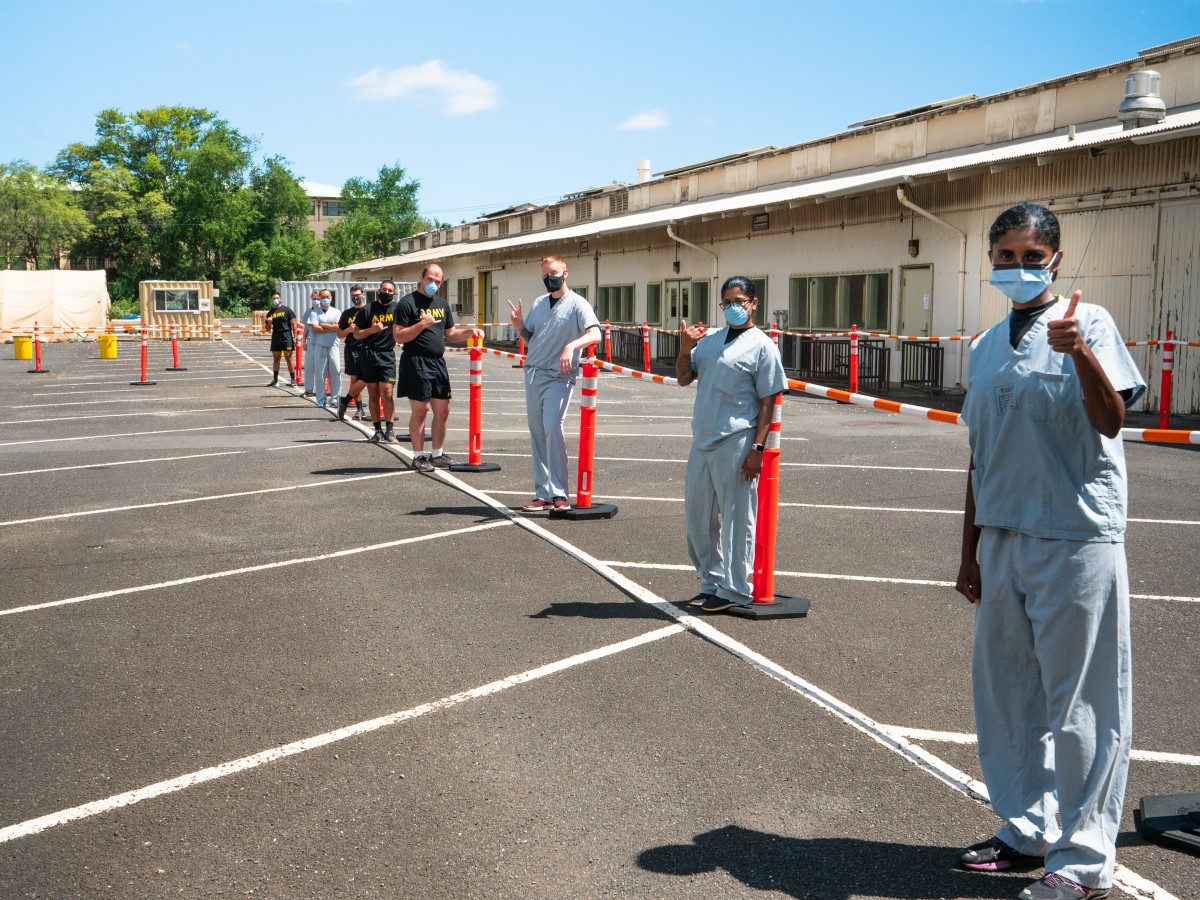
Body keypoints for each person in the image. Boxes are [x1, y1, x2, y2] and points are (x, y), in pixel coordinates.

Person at [954, 204, 1145, 900]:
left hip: (1074, 537)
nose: (1017, 268)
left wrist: (1080, 354)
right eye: (1005, 255)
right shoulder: (983, 346)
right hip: (1003, 535)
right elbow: (981, 452)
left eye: (1031, 256)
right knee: (1009, 696)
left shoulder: (1086, 324)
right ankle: (1028, 828)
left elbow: (1114, 418)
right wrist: (969, 550)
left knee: (1083, 704)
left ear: (1055, 261)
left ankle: (1085, 859)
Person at [675, 276, 786, 613]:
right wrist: (684, 350)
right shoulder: (709, 342)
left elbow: (769, 400)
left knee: (738, 519)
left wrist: (757, 449)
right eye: (726, 303)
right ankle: (711, 581)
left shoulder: (763, 346)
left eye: (739, 301)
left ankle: (736, 589)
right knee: (698, 518)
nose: (732, 308)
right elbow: (683, 378)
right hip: (703, 439)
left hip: (737, 441)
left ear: (753, 303)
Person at [507, 256, 601, 510]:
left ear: (565, 273)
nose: (550, 278)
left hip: (559, 377)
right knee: (538, 433)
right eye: (545, 275)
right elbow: (531, 339)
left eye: (554, 273)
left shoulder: (577, 304)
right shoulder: (539, 303)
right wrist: (519, 326)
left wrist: (571, 346)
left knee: (552, 426)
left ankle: (559, 493)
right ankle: (543, 493)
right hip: (534, 374)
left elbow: (595, 333)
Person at [393, 263, 484, 473]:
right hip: (416, 361)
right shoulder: (407, 304)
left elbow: (450, 334)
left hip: (437, 363)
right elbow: (398, 335)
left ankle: (437, 454)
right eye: (430, 279)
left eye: (438, 280)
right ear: (421, 278)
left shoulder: (442, 304)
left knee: (443, 410)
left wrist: (470, 332)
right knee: (421, 410)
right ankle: (418, 456)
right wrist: (422, 324)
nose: (434, 283)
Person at [353, 279, 400, 443]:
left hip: (387, 355)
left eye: (390, 290)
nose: (386, 292)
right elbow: (357, 334)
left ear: (394, 293)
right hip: (369, 355)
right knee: (373, 393)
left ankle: (390, 430)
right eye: (384, 289)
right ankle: (378, 430)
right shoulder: (367, 310)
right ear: (379, 290)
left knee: (387, 392)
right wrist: (371, 330)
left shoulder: (397, 309)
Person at [336, 285, 369, 421]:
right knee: (355, 379)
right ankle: (359, 409)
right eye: (353, 296)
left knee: (367, 378)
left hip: (366, 348)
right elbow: (339, 334)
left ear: (363, 294)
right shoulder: (347, 314)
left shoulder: (369, 310)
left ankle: (345, 400)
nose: (355, 298)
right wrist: (348, 330)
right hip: (351, 349)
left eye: (358, 295)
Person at [308, 289, 342, 408]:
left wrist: (324, 325)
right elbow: (315, 329)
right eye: (322, 297)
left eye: (327, 297)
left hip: (333, 345)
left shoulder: (337, 312)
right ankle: (321, 399)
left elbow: (339, 327)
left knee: (336, 372)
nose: (325, 299)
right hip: (320, 345)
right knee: (320, 373)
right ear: (320, 299)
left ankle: (335, 398)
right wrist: (331, 327)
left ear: (331, 298)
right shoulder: (314, 312)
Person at [265, 291, 297, 387]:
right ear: (271, 300)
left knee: (288, 357)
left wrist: (295, 338)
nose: (276, 300)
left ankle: (293, 380)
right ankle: (275, 380)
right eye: (274, 298)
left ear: (280, 299)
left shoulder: (287, 310)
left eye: (277, 298)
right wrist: (269, 323)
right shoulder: (270, 312)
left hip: (286, 335)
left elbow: (294, 324)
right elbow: (267, 329)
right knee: (276, 358)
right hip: (276, 336)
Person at [301, 289, 322, 397]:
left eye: (318, 299)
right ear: (311, 299)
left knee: (322, 367)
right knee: (309, 366)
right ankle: (308, 389)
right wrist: (303, 341)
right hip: (311, 341)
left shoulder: (324, 311)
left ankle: (322, 390)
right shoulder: (308, 312)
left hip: (322, 341)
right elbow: (306, 328)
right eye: (314, 299)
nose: (316, 301)